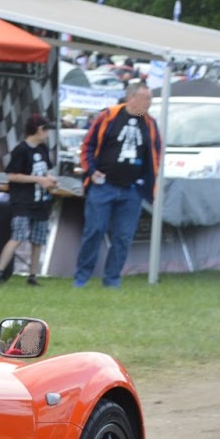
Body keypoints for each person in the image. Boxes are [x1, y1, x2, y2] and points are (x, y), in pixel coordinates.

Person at [73, 81, 161, 288]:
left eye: (150, 99)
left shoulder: (150, 124)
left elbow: (156, 155)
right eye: (145, 98)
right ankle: (81, 278)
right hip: (104, 186)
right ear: (131, 98)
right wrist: (91, 172)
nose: (149, 103)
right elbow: (88, 145)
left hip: (132, 190)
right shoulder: (109, 116)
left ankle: (112, 279)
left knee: (123, 237)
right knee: (94, 231)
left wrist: (149, 186)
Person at [0, 113, 58, 285]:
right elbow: (12, 176)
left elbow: (46, 171)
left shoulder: (43, 149)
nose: (48, 134)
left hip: (41, 201)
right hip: (23, 201)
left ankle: (32, 276)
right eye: (46, 130)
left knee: (38, 239)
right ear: (39, 130)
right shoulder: (21, 150)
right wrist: (38, 180)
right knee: (18, 236)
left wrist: (50, 180)